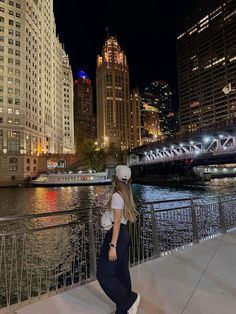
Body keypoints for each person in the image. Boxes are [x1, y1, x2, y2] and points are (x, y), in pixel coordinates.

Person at [97, 165, 140, 314]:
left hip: (116, 235)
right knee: (121, 272)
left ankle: (130, 300)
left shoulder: (116, 195)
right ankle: (122, 310)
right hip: (124, 235)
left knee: (104, 275)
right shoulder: (126, 194)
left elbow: (116, 222)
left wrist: (112, 245)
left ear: (115, 178)